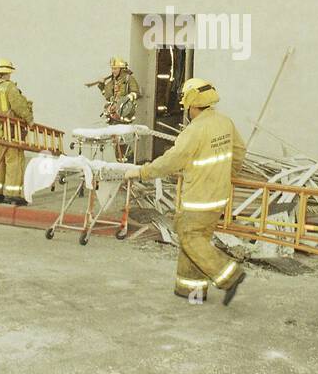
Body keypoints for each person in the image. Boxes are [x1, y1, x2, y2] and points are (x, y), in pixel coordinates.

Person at [125, 78, 247, 305]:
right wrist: (227, 174)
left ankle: (229, 274)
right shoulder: (224, 123)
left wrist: (141, 172)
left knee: (189, 236)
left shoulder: (195, 130)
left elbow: (171, 161)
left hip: (200, 198)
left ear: (191, 103)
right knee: (197, 239)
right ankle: (191, 289)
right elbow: (239, 151)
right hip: (219, 195)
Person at [0, 59, 32, 205]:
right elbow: (18, 106)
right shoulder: (9, 87)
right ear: (8, 73)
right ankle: (13, 195)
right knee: (15, 160)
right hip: (11, 130)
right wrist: (29, 119)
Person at [87, 56, 140, 124]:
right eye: (112, 69)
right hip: (113, 111)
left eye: (115, 69)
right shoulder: (113, 81)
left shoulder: (129, 79)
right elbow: (108, 96)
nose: (113, 71)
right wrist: (102, 85)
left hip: (125, 110)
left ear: (121, 69)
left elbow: (136, 92)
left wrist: (125, 99)